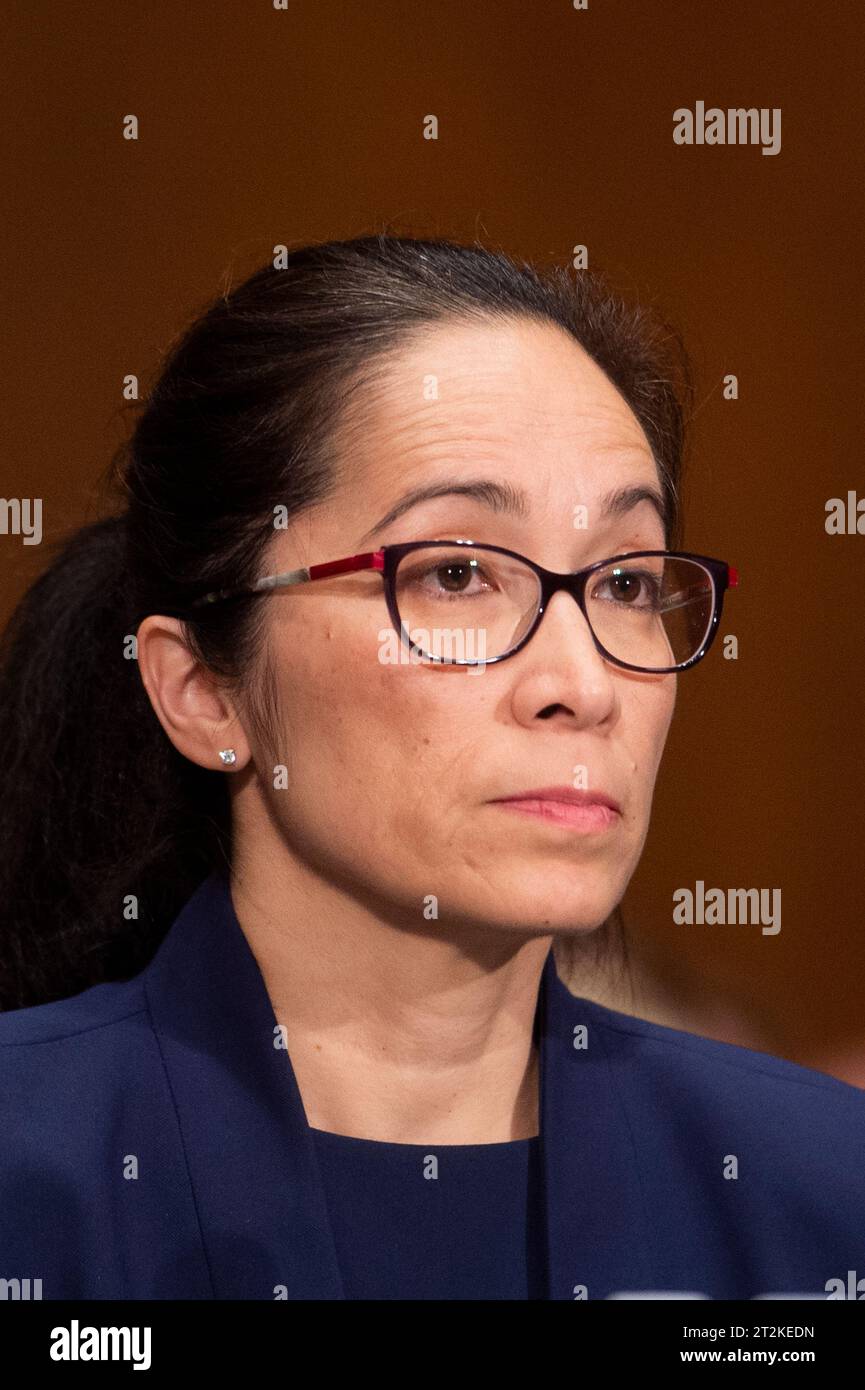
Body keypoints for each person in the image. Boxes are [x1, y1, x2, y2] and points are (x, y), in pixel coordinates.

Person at [0, 236, 861, 1301]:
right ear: (202, 692)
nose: (581, 683)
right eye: (455, 572)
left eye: (629, 584)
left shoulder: (822, 1193)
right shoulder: (31, 1172)